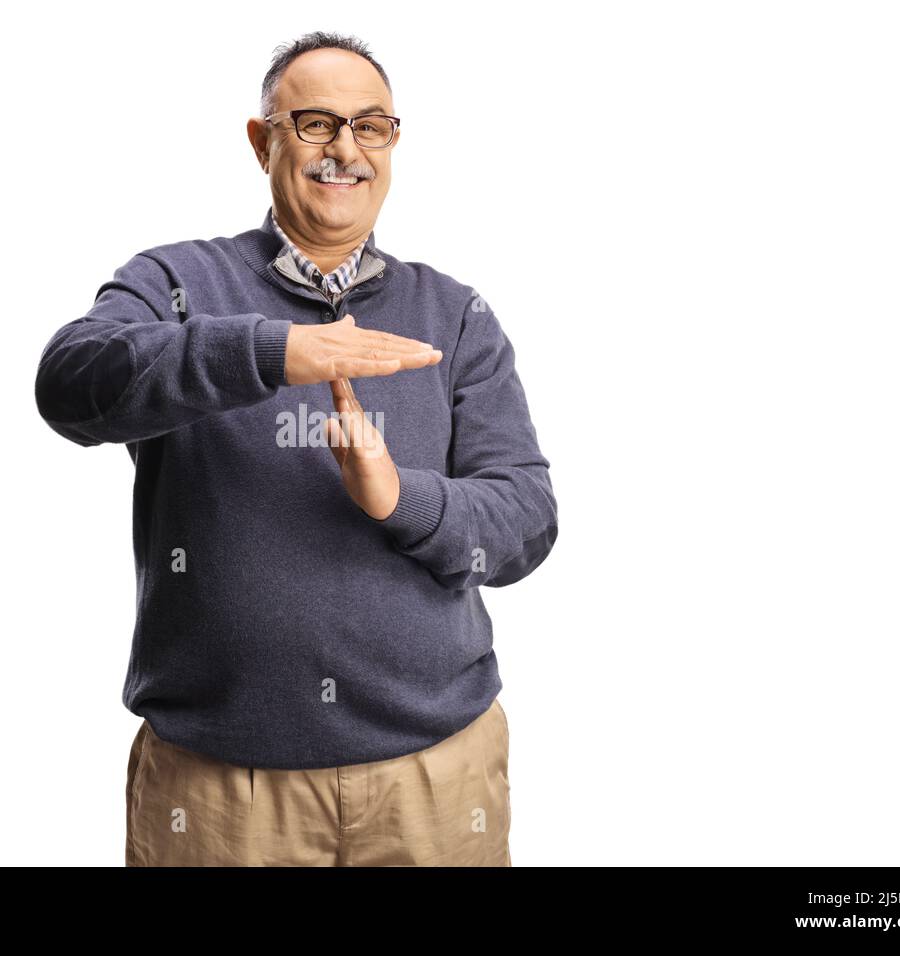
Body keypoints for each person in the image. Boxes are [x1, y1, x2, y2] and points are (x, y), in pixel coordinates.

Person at [34, 31, 558, 866]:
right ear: (262, 140)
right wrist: (272, 352)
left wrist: (398, 497)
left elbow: (526, 521)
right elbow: (70, 385)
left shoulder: (454, 314)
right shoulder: (175, 284)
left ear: (391, 143)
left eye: (370, 126)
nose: (343, 149)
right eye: (314, 123)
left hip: (434, 777)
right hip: (217, 792)